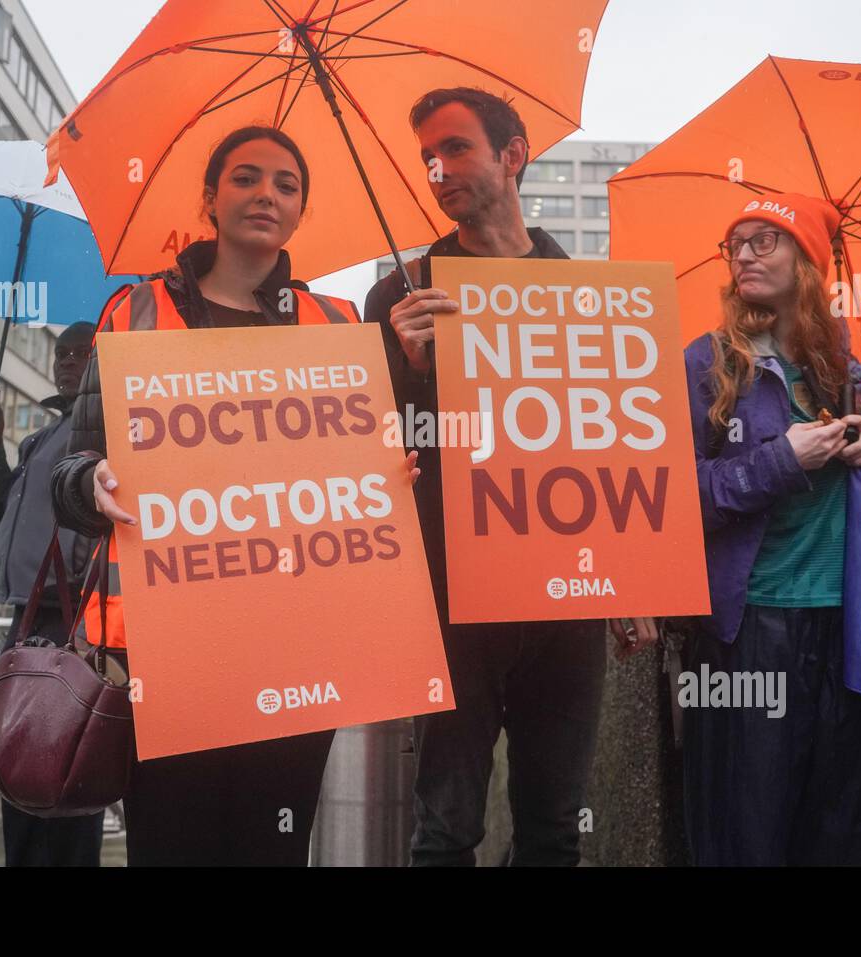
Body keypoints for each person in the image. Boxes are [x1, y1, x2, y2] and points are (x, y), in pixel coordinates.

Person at [50, 125, 416, 866]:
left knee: (271, 850)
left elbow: (360, 477)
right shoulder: (137, 312)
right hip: (168, 654)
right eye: (246, 178)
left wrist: (386, 482)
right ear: (210, 199)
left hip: (298, 650)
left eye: (286, 184)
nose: (265, 195)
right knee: (171, 849)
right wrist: (92, 482)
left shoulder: (337, 324)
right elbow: (72, 473)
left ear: (301, 211)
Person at [365, 88, 627, 867]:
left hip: (565, 601)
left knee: (554, 829)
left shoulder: (584, 292)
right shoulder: (398, 297)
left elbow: (613, 445)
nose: (437, 169)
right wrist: (412, 376)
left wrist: (632, 582)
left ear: (513, 155)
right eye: (427, 158)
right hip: (452, 600)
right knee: (446, 830)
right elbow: (365, 460)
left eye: (455, 148)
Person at [681, 192, 861, 865]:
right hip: (755, 625)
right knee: (753, 825)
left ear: (806, 259)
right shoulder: (706, 361)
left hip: (850, 619)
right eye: (735, 243)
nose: (743, 254)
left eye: (763, 240)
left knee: (841, 822)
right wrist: (782, 460)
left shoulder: (841, 361)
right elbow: (676, 493)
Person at [0, 322, 102, 867]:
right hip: (25, 623)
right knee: (19, 763)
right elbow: (5, 513)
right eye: (60, 353)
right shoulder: (40, 439)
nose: (67, 361)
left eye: (81, 353)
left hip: (69, 622)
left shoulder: (100, 430)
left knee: (62, 772)